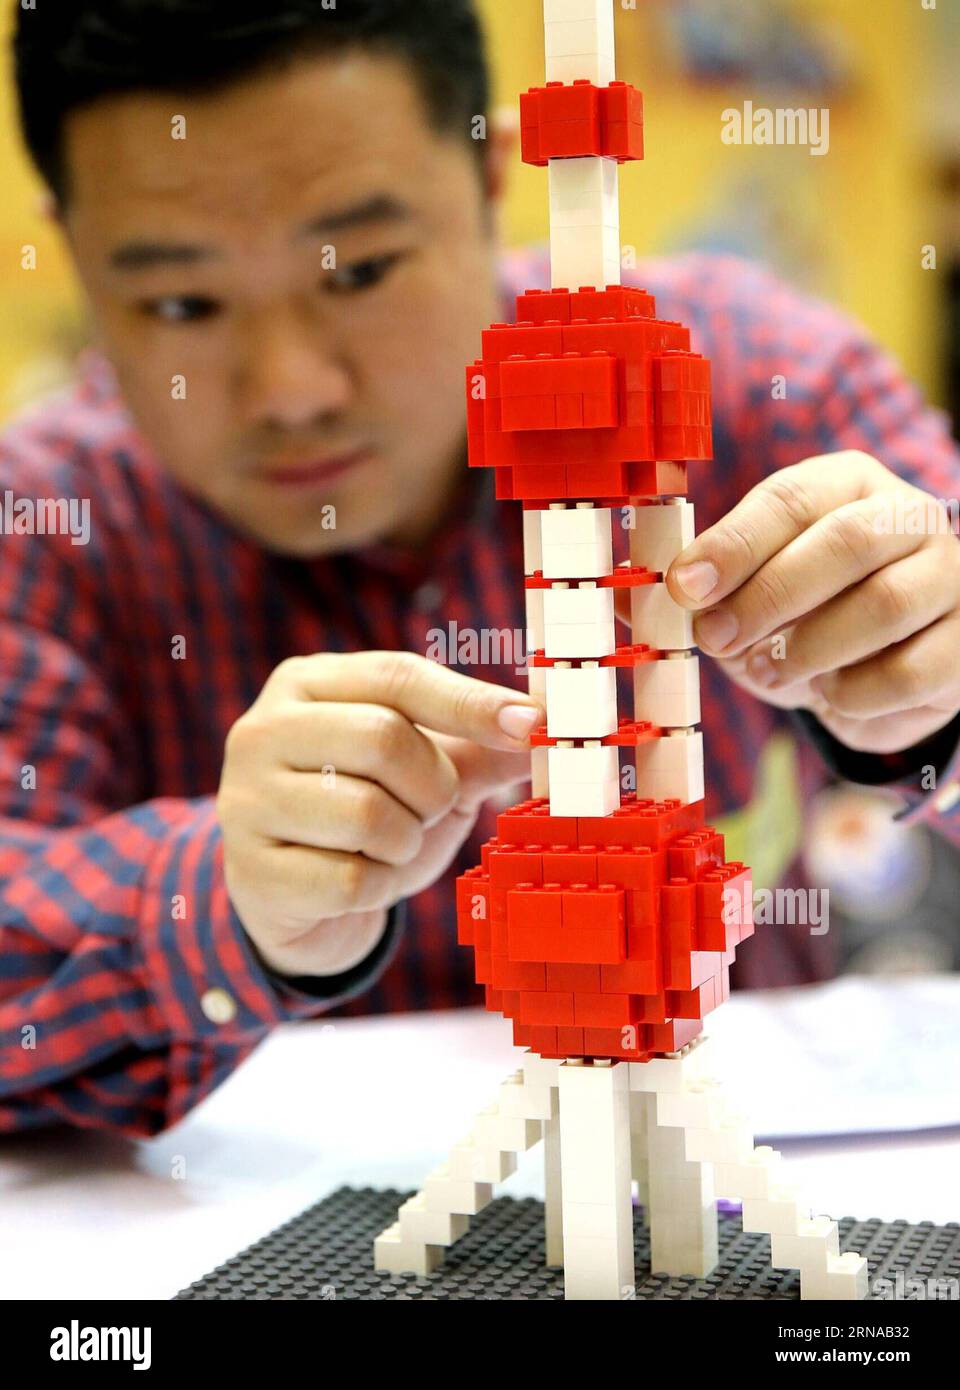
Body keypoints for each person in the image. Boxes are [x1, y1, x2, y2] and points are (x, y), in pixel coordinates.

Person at [2, 0, 959, 1139]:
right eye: (181, 302)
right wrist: (220, 900)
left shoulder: (755, 378)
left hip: (703, 1155)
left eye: (358, 270)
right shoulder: (47, 525)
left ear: (496, 175)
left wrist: (927, 698)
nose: (291, 386)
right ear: (73, 251)